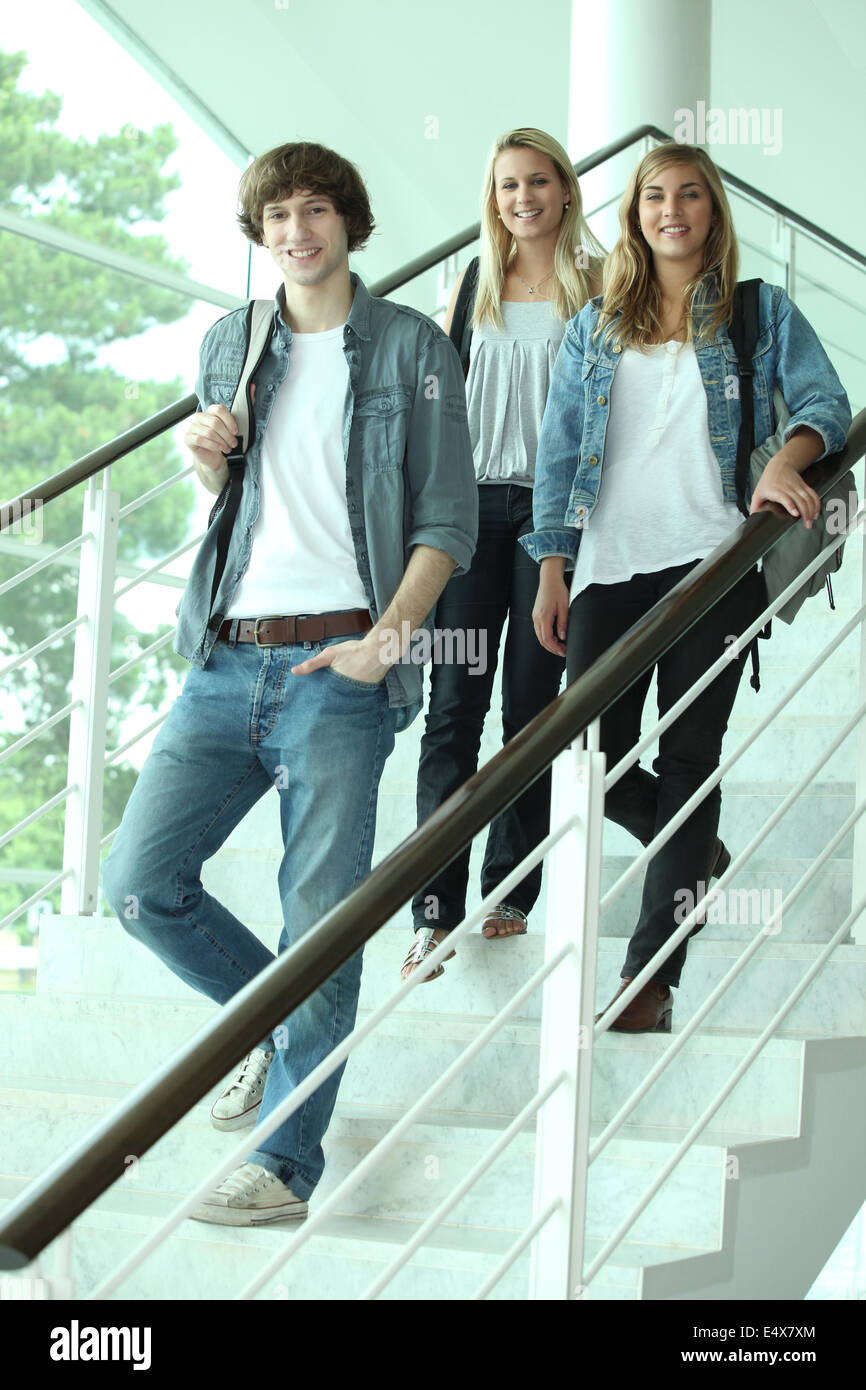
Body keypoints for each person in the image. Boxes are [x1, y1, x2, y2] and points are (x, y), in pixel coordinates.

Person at [103, 140, 477, 1223]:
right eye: (274, 217)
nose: (294, 232)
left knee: (319, 921)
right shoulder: (232, 341)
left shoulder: (411, 347)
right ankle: (275, 1037)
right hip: (226, 655)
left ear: (347, 224)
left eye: (313, 211)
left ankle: (282, 1164)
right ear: (258, 233)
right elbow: (233, 500)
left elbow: (446, 520)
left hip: (337, 666)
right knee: (139, 883)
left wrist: (387, 639)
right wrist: (204, 459)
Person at [522, 142, 851, 1032]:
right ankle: (694, 850)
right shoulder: (595, 325)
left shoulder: (759, 312)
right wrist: (552, 566)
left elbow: (826, 405)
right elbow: (558, 457)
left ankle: (650, 977)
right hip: (605, 566)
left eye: (691, 196)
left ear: (713, 211)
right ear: (634, 214)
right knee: (589, 761)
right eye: (655, 196)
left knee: (691, 759)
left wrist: (785, 461)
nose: (672, 210)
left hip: (714, 563)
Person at [401, 127, 605, 983]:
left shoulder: (598, 285)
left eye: (537, 182)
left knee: (530, 707)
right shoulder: (470, 285)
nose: (521, 198)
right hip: (465, 514)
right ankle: (433, 912)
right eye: (506, 185)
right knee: (454, 708)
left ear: (564, 190)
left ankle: (512, 891)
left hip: (552, 518)